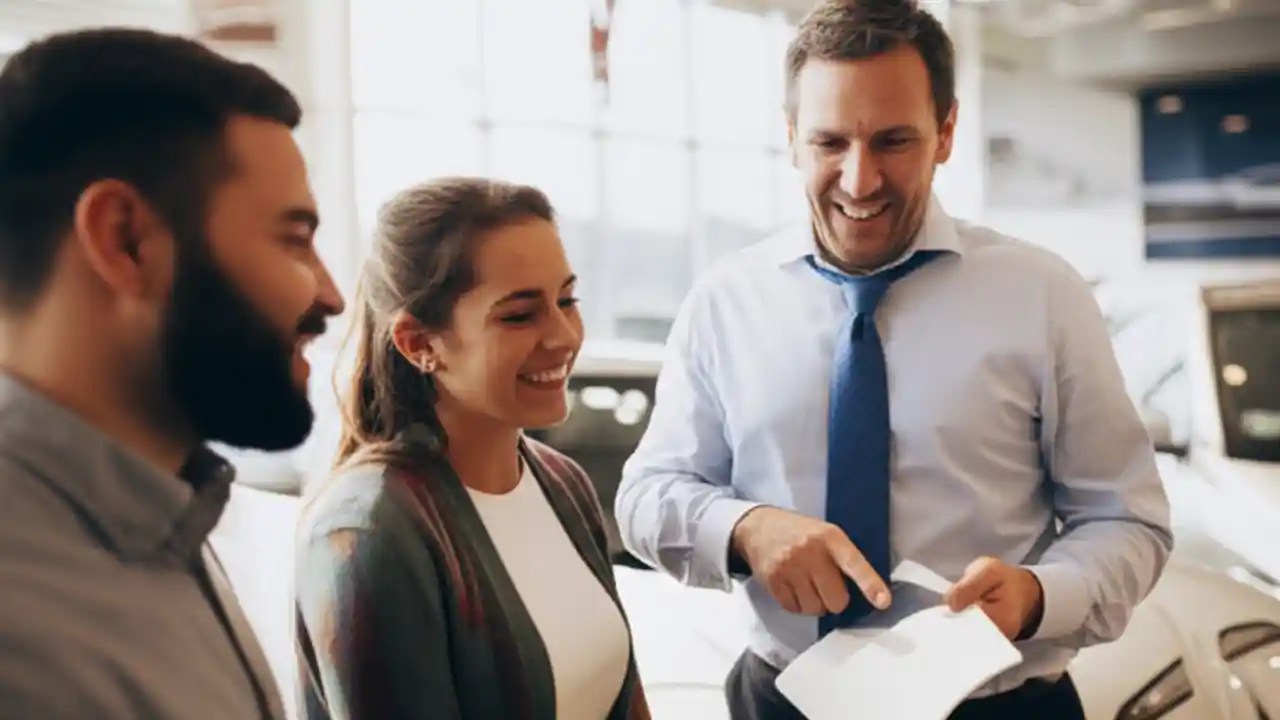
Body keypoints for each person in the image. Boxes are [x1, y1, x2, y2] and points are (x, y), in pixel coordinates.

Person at [614, 1, 1173, 718]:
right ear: (790, 140)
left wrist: (1038, 595)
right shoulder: (726, 301)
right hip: (782, 701)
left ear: (945, 133)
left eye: (893, 141)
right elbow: (646, 496)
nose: (858, 180)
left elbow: (1129, 522)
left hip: (998, 706)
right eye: (829, 143)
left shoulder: (1042, 295)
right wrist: (747, 528)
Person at [0, 28, 344, 718]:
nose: (331, 294)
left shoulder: (164, 515)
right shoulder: (25, 624)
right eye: (295, 238)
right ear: (125, 240)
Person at [295, 178, 650, 720]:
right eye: (518, 315)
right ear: (419, 343)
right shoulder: (370, 533)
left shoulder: (562, 484)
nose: (564, 336)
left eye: (566, 300)